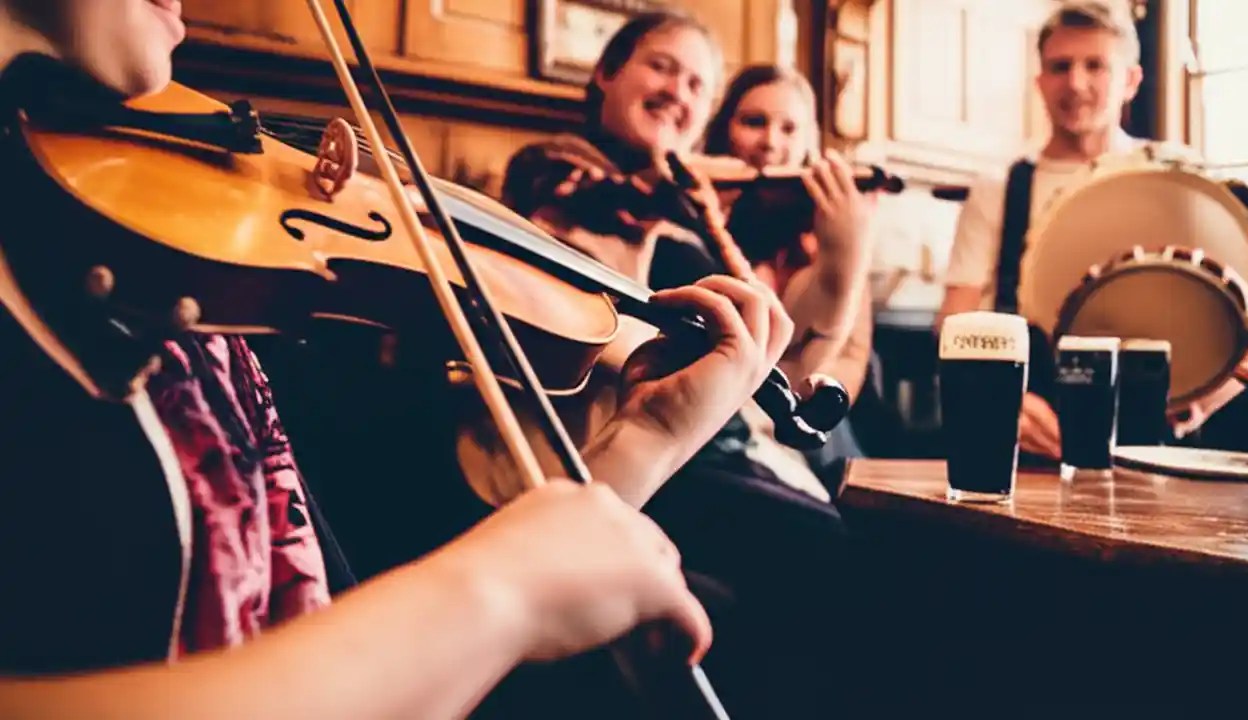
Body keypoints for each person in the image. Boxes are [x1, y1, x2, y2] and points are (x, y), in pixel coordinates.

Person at [0, 2, 797, 717]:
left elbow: (361, 633)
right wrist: (497, 592)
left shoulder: (130, 235)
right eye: (662, 66)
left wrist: (643, 440)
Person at [501, 11, 865, 717]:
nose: (678, 90)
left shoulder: (687, 212)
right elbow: (599, 201)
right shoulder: (554, 166)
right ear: (606, 74)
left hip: (701, 436)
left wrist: (837, 251)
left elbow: (781, 345)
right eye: (661, 67)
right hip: (619, 435)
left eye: (697, 82)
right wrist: (683, 195)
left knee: (841, 539)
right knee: (823, 544)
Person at [936, 0, 1248, 459]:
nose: (1075, 83)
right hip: (1044, 433)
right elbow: (952, 325)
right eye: (1060, 67)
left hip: (1175, 433)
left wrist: (1215, 392)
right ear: (1040, 81)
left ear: (1131, 80)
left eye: (1095, 65)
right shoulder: (999, 188)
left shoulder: (1180, 173)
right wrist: (1004, 398)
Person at [702, 62, 879, 470]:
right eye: (753, 122)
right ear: (724, 128)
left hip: (816, 416)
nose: (769, 143)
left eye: (788, 129)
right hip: (725, 416)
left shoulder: (830, 226)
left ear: (808, 144)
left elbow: (851, 356)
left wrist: (820, 400)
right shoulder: (700, 215)